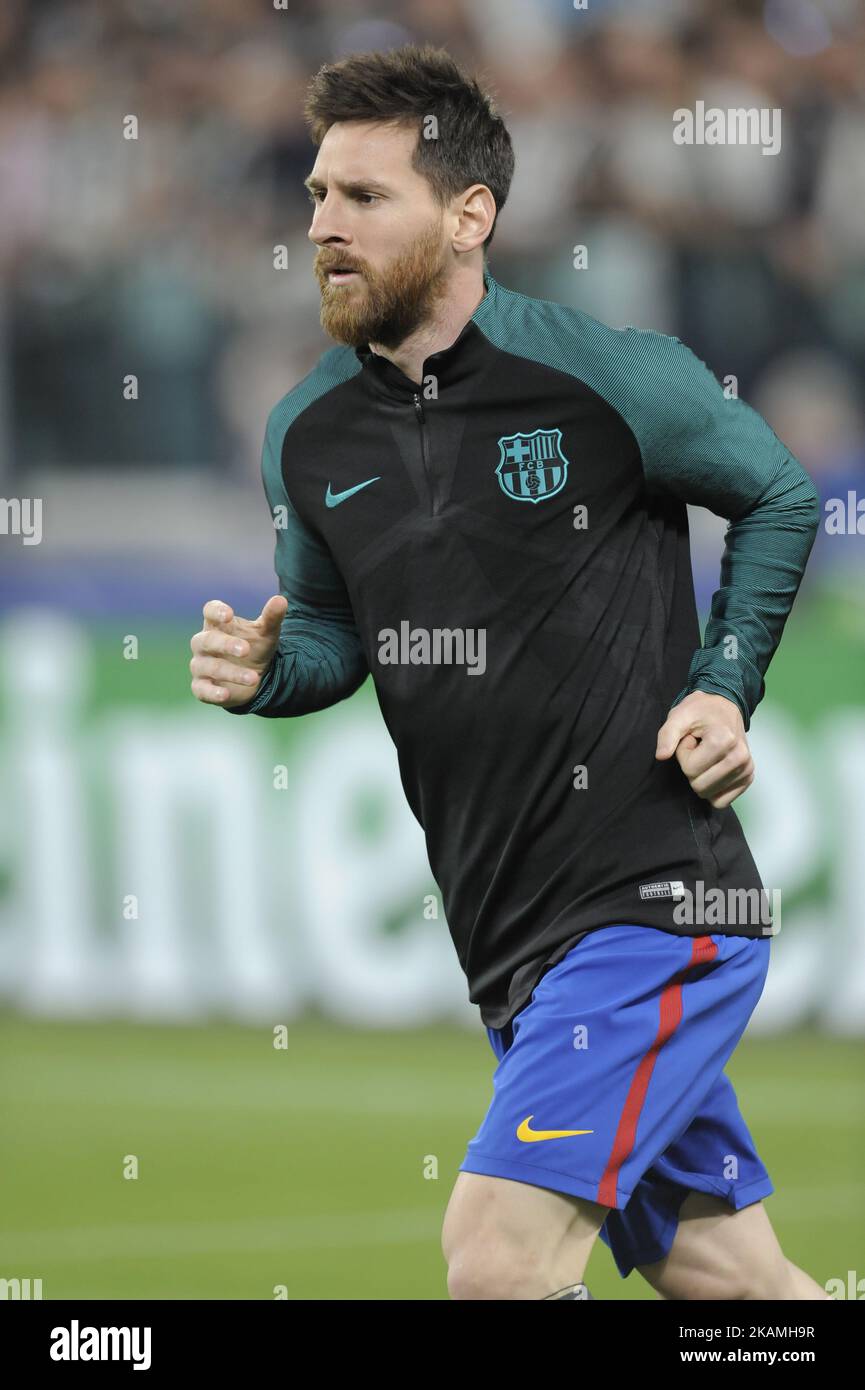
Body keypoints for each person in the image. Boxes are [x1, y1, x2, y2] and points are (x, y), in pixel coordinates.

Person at [189, 44, 827, 1300]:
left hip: (654, 906)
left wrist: (722, 681)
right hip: (511, 938)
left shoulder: (607, 377)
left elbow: (777, 493)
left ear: (469, 214)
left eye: (363, 198)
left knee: (493, 1260)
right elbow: (333, 638)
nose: (323, 226)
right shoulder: (306, 430)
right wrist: (270, 669)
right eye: (317, 196)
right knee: (737, 1288)